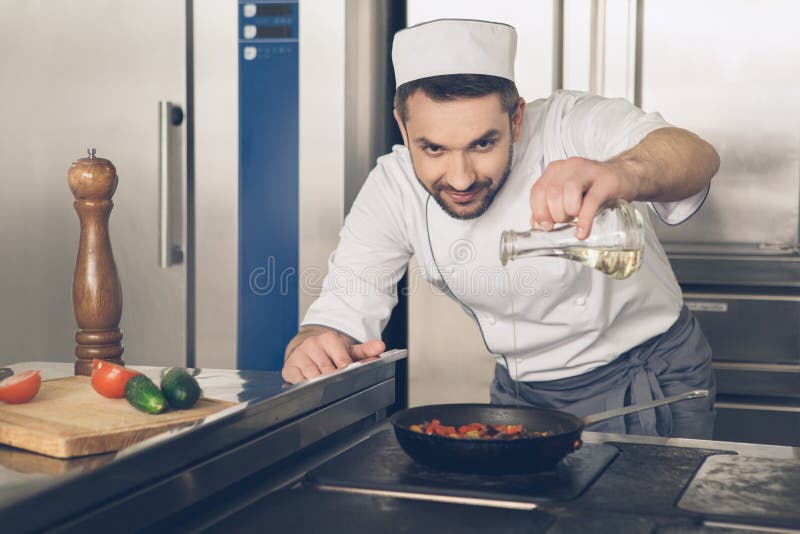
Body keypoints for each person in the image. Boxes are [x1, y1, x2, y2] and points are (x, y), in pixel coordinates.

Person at [282, 19, 720, 438]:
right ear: (403, 127)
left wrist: (623, 172)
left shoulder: (569, 125)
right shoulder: (393, 187)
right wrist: (317, 342)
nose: (460, 178)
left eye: (483, 143)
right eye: (432, 148)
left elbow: (694, 155)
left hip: (643, 379)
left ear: (516, 120)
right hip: (517, 392)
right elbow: (346, 301)